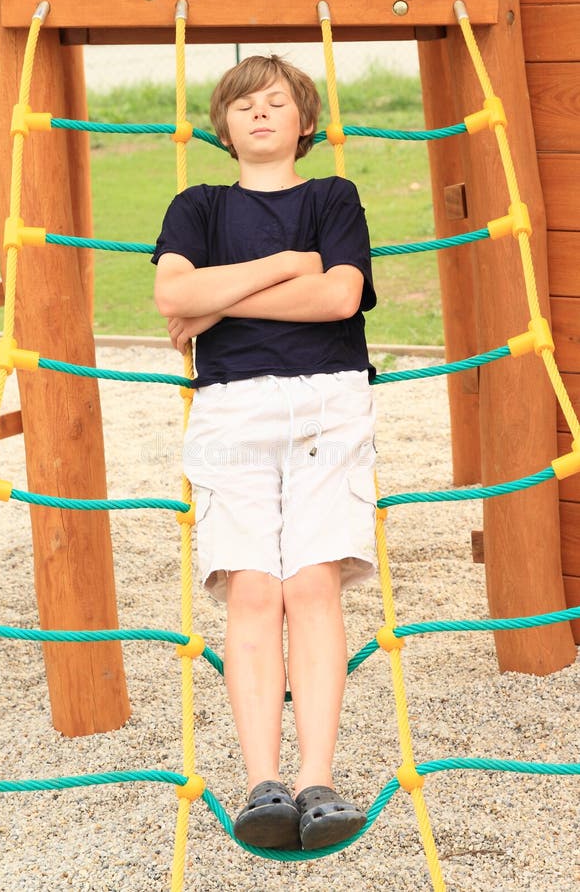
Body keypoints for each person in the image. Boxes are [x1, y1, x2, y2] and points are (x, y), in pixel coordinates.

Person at [152, 55, 377, 851]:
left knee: (313, 585)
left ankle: (318, 779)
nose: (259, 114)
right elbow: (175, 297)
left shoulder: (331, 198)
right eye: (243, 105)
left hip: (329, 403)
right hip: (232, 411)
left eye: (276, 102)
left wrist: (224, 299)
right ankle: (262, 784)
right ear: (224, 125)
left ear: (304, 123)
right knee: (253, 591)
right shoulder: (199, 206)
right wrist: (288, 265)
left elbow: (340, 296)